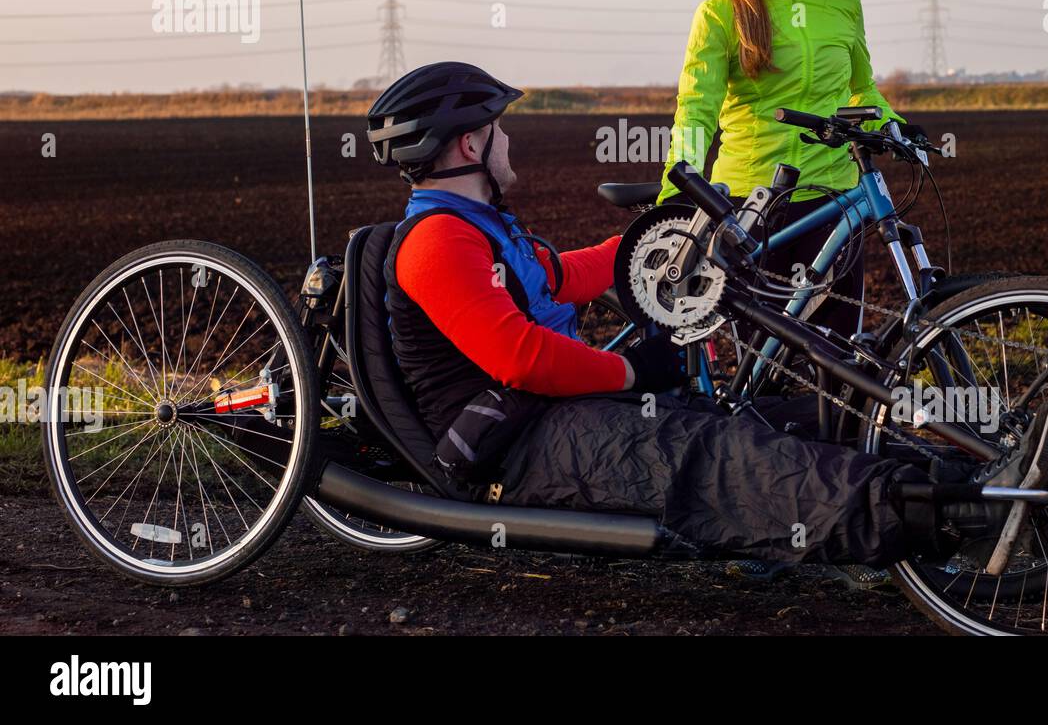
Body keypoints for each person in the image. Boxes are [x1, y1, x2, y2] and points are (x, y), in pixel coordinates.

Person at [365, 62, 997, 570]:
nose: (508, 140)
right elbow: (521, 359)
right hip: (519, 443)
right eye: (500, 129)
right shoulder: (436, 243)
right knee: (714, 455)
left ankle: (970, 476)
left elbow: (571, 273)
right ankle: (944, 511)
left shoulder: (485, 227)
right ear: (471, 143)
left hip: (564, 414)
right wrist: (630, 370)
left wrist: (684, 238)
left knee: (789, 418)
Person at [659, 0, 914, 583]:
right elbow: (696, 108)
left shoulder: (841, 1)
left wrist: (896, 129)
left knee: (839, 354)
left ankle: (839, 520)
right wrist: (675, 197)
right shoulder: (719, 14)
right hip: (754, 201)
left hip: (836, 196)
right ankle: (762, 526)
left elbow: (860, 87)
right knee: (765, 365)